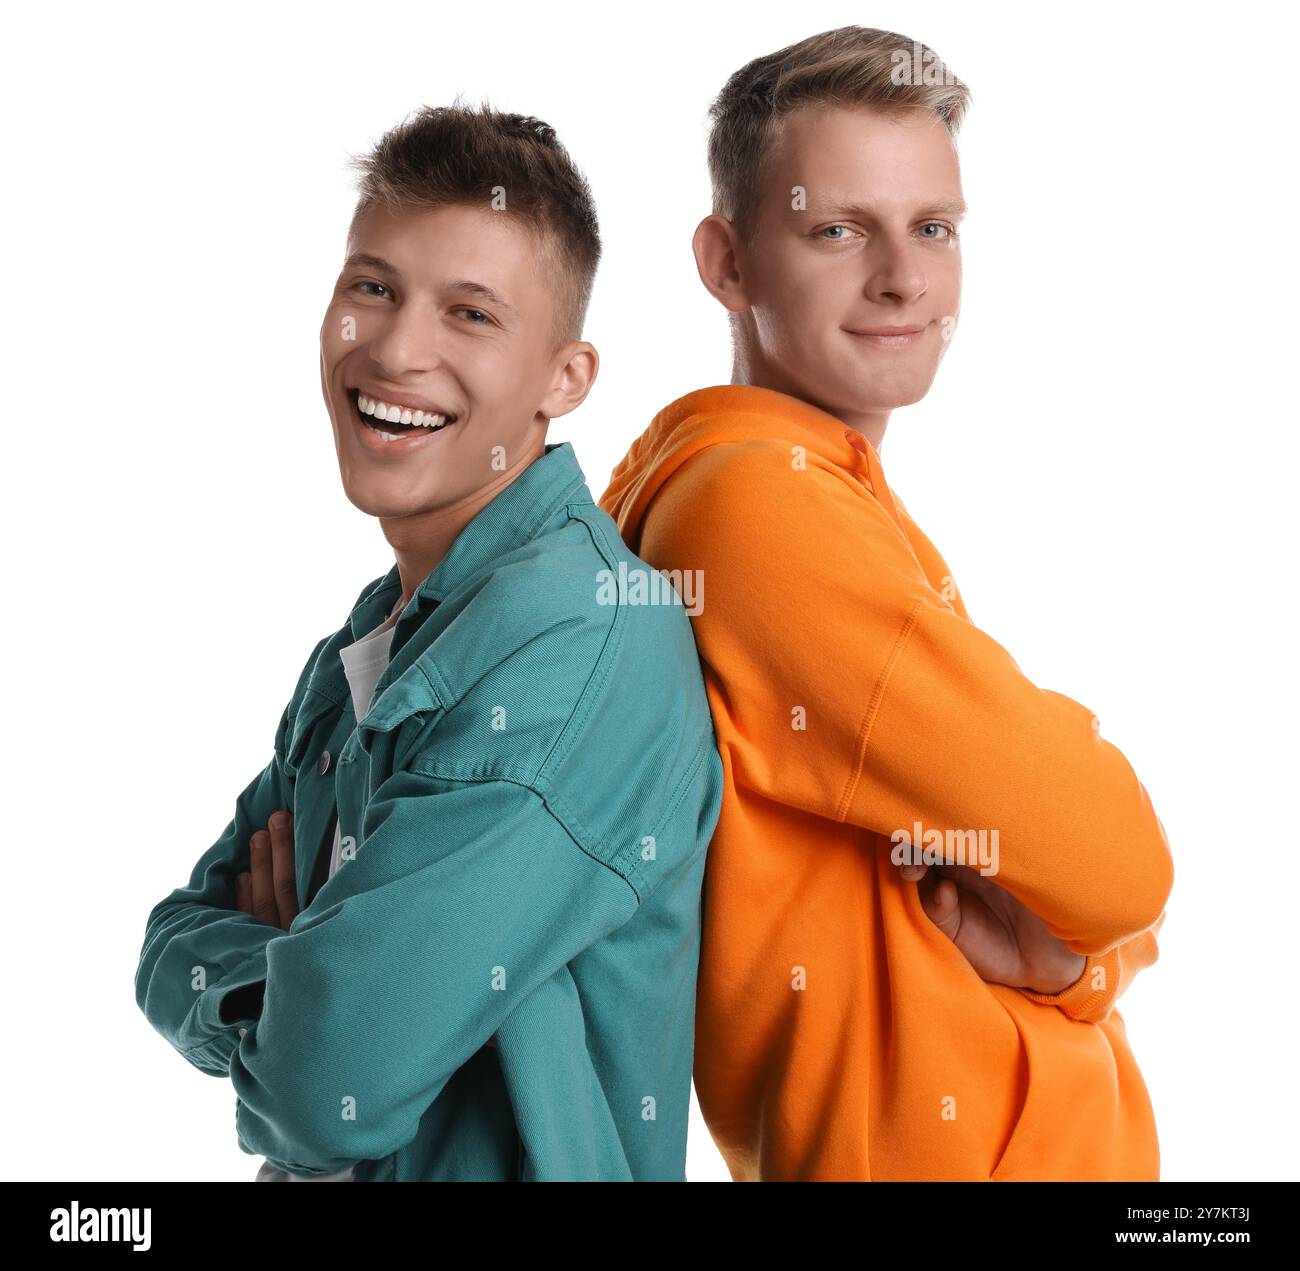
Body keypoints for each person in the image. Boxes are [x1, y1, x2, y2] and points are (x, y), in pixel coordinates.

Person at [599, 26, 1172, 1181]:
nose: (903, 277)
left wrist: (1076, 965)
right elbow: (1120, 859)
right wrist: (1088, 912)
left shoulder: (811, 487)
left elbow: (1086, 901)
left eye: (933, 228)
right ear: (727, 262)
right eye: (837, 229)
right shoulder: (759, 505)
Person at [135, 103, 723, 1182]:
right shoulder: (378, 633)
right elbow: (169, 935)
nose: (397, 349)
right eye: (373, 288)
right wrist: (300, 975)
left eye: (470, 313)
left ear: (565, 378)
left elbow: (326, 1087)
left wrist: (286, 978)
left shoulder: (578, 641)